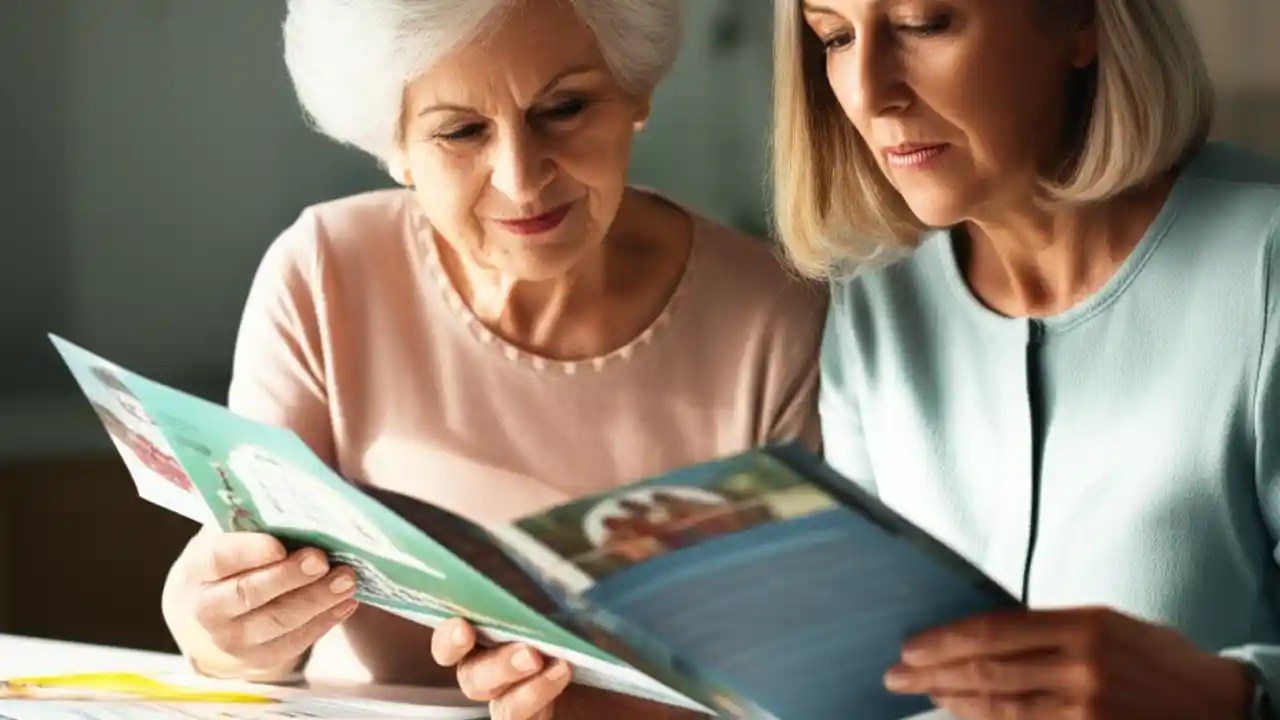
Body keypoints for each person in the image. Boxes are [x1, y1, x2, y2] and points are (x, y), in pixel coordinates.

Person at [160, 0, 825, 718]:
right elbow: (226, 618)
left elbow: (804, 673)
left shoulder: (772, 316)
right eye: (461, 131)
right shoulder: (323, 273)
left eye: (563, 109)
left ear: (635, 93)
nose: (520, 177)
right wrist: (227, 630)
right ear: (396, 148)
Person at [775, 0, 1280, 717]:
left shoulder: (1265, 267)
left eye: (923, 24)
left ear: (1080, 21)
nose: (867, 91)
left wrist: (1226, 697)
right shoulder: (875, 299)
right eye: (835, 37)